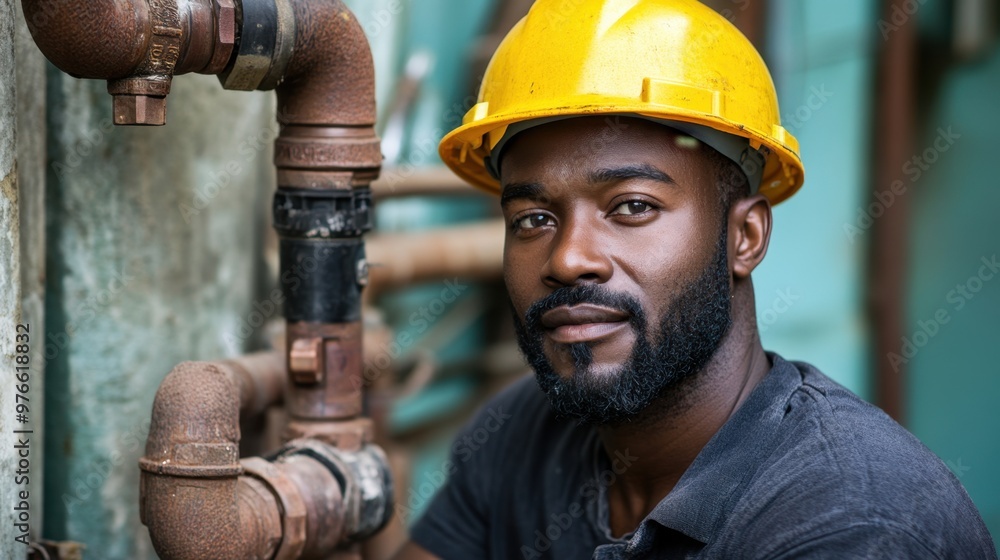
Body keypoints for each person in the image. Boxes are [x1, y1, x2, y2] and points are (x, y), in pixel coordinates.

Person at [392, 1, 998, 558]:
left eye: (632, 206)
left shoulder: (852, 524)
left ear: (746, 237)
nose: (568, 258)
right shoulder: (524, 433)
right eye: (533, 218)